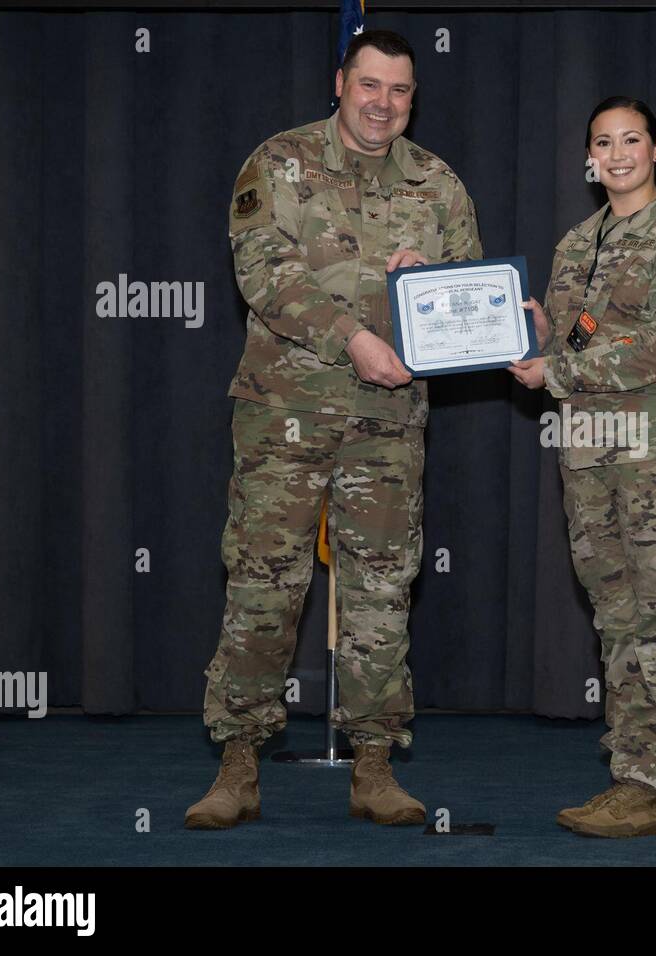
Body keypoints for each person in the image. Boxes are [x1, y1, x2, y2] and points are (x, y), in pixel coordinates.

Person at [185, 30, 482, 830]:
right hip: (284, 413)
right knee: (261, 587)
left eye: (400, 90)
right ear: (341, 82)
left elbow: (466, 305)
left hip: (387, 422)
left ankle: (375, 763)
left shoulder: (438, 185)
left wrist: (434, 290)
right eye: (370, 85)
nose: (383, 103)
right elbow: (262, 272)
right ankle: (238, 761)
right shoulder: (276, 162)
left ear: (413, 98)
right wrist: (352, 336)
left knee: (382, 593)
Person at [510, 96, 656, 838]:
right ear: (589, 156)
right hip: (591, 455)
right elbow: (574, 339)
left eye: (632, 139)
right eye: (604, 141)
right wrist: (537, 334)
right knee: (618, 618)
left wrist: (558, 375)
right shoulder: (578, 242)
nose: (618, 152)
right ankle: (630, 772)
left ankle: (650, 784)